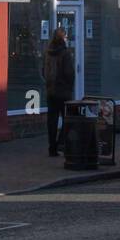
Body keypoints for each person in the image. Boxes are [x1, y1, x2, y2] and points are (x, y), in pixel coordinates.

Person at [43, 27, 76, 156]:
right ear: (63, 38)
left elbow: (43, 70)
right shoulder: (65, 53)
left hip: (51, 91)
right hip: (63, 91)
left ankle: (52, 148)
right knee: (69, 118)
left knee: (52, 120)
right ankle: (61, 143)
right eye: (66, 37)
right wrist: (69, 86)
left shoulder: (47, 52)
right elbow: (69, 73)